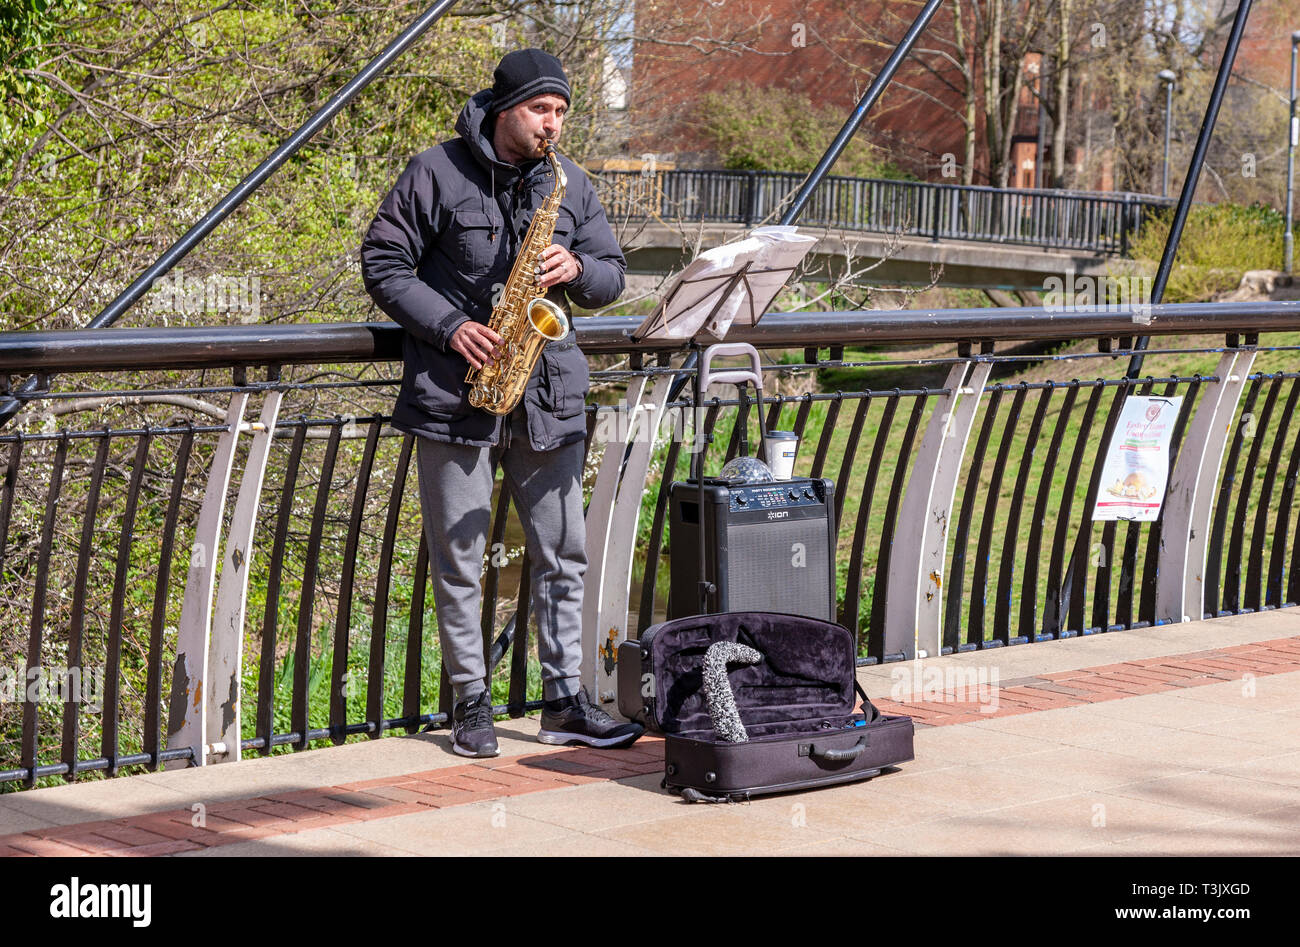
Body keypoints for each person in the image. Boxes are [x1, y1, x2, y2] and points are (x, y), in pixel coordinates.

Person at [360, 48, 643, 758]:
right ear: (503, 108)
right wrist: (451, 326)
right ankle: (472, 702)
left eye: (560, 113)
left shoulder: (569, 182)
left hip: (546, 397)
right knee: (460, 557)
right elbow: (382, 261)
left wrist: (578, 267)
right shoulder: (436, 170)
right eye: (540, 111)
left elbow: (614, 275)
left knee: (562, 553)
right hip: (457, 394)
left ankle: (564, 701)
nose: (553, 125)